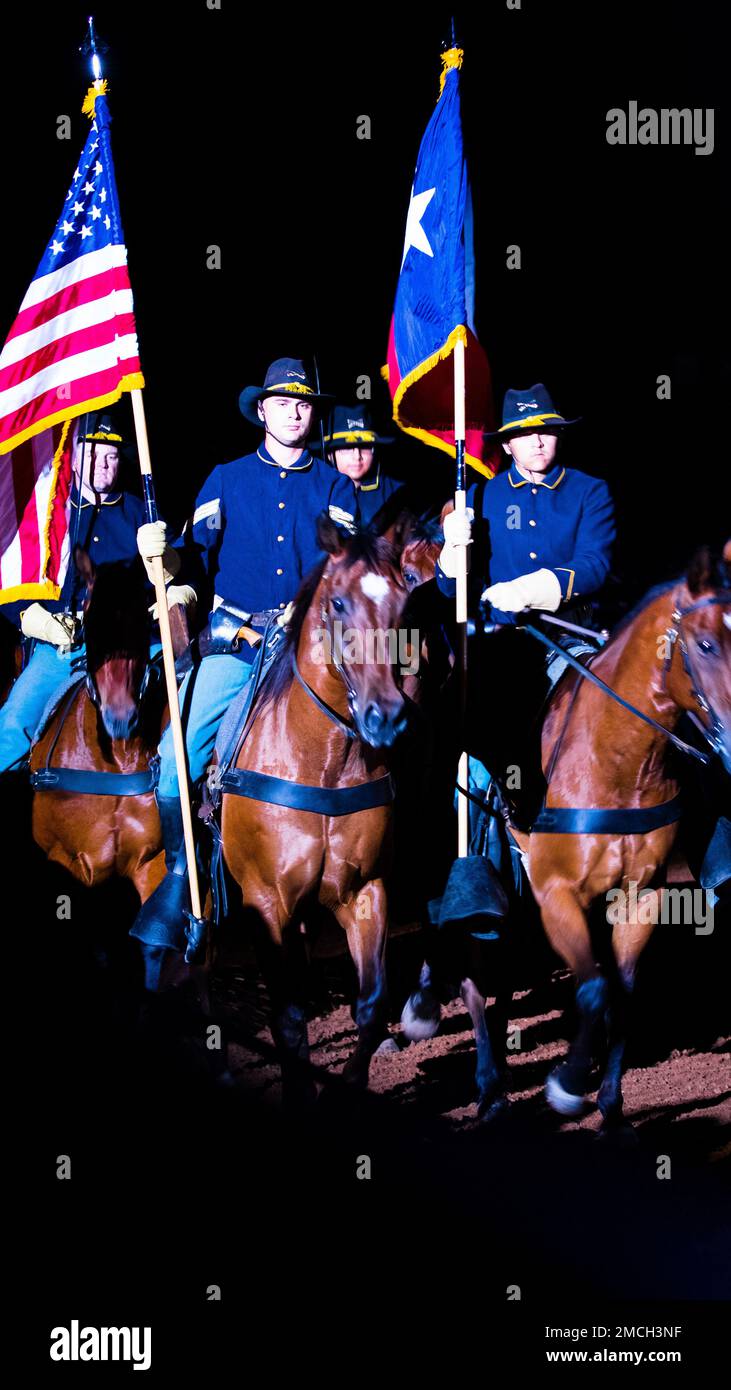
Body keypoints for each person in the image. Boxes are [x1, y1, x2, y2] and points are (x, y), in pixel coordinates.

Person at [134, 357, 359, 946]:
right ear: (261, 411)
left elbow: (348, 566)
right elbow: (192, 554)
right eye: (282, 402)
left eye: (303, 403)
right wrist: (166, 559)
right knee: (174, 761)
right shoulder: (226, 478)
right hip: (239, 644)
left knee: (381, 732)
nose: (294, 411)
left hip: (314, 648)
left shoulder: (334, 486)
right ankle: (184, 881)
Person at [436, 382, 616, 835]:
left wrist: (533, 589)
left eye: (547, 431)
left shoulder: (589, 491)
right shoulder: (479, 498)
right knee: (465, 756)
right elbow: (448, 588)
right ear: (508, 443)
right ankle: (478, 862)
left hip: (572, 642)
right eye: (526, 433)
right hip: (502, 648)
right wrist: (450, 557)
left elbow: (594, 564)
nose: (538, 441)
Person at [0, 414, 181, 774]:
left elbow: (180, 569)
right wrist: (30, 616)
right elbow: (9, 572)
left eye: (111, 456)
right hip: (65, 643)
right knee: (12, 727)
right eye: (93, 453)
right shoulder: (50, 513)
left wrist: (170, 565)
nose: (102, 464)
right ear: (73, 455)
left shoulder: (140, 513)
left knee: (182, 709)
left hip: (134, 642)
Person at [323, 404, 404, 528]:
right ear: (329, 454)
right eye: (347, 448)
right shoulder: (319, 490)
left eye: (365, 447)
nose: (357, 456)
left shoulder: (396, 493)